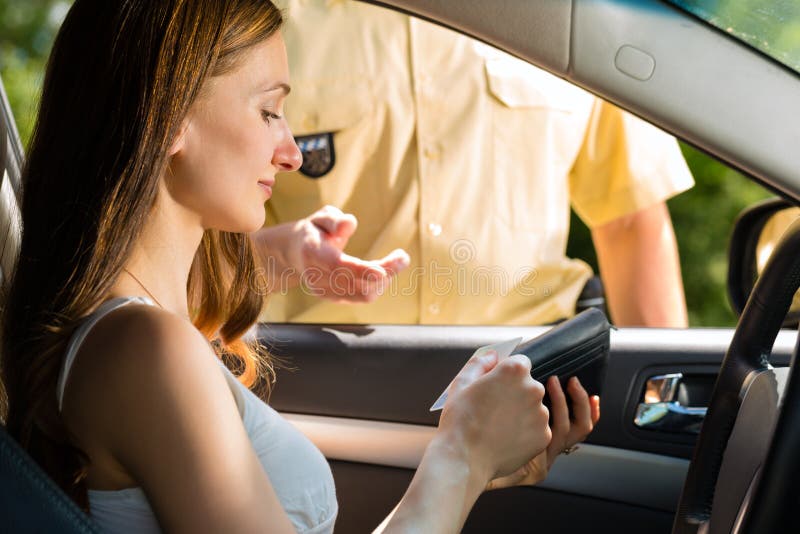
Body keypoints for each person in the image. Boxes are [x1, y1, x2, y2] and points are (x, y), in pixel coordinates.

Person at [0, 1, 599, 532]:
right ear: (169, 115)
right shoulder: (147, 350)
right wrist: (460, 458)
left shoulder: (146, 335)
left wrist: (476, 460)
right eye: (268, 112)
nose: (290, 152)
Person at [254, 0, 694, 328]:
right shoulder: (256, 17)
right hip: (315, 390)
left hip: (536, 384)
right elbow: (197, 234)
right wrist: (286, 253)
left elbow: (630, 222)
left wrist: (663, 400)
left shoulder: (578, 14)